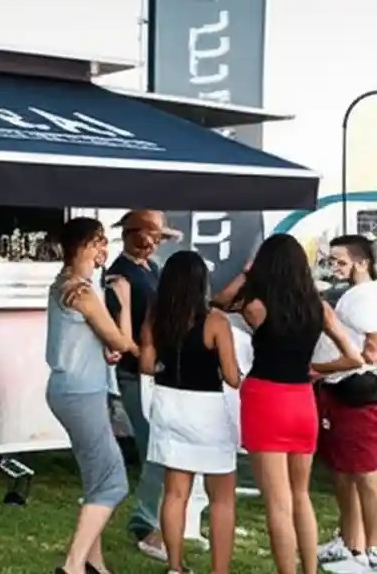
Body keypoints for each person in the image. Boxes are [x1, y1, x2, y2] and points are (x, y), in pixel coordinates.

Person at [215, 233, 363, 574]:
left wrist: (248, 272)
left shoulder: (255, 306)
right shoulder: (318, 307)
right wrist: (317, 370)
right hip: (302, 401)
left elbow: (219, 303)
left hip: (266, 399)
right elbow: (354, 358)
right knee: (301, 496)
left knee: (277, 503)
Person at [139, 250, 241, 574]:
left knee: (175, 492)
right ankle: (219, 571)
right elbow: (232, 377)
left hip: (169, 404)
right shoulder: (215, 321)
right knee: (222, 498)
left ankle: (174, 567)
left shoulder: (156, 317)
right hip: (207, 411)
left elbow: (145, 364)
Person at [46, 217, 139, 574]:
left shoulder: (66, 284)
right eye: (99, 241)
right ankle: (72, 567)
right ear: (83, 246)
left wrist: (108, 346)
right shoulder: (82, 292)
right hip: (80, 393)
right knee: (113, 480)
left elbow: (103, 342)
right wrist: (125, 303)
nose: (106, 248)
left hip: (71, 389)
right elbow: (121, 341)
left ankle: (94, 564)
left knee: (95, 479)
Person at [104, 209, 181, 560]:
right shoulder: (120, 275)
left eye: (159, 238)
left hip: (155, 369)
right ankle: (146, 524)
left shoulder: (152, 269)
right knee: (154, 448)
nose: (154, 244)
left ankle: (156, 521)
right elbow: (121, 334)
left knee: (161, 445)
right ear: (130, 234)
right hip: (137, 372)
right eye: (149, 236)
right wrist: (148, 359)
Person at [315, 235, 377, 570]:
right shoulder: (352, 295)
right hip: (338, 390)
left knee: (366, 472)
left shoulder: (367, 296)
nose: (334, 267)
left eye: (340, 261)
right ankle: (350, 542)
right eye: (331, 260)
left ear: (361, 262)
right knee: (343, 469)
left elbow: (369, 354)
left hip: (358, 391)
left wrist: (318, 369)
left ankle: (373, 548)